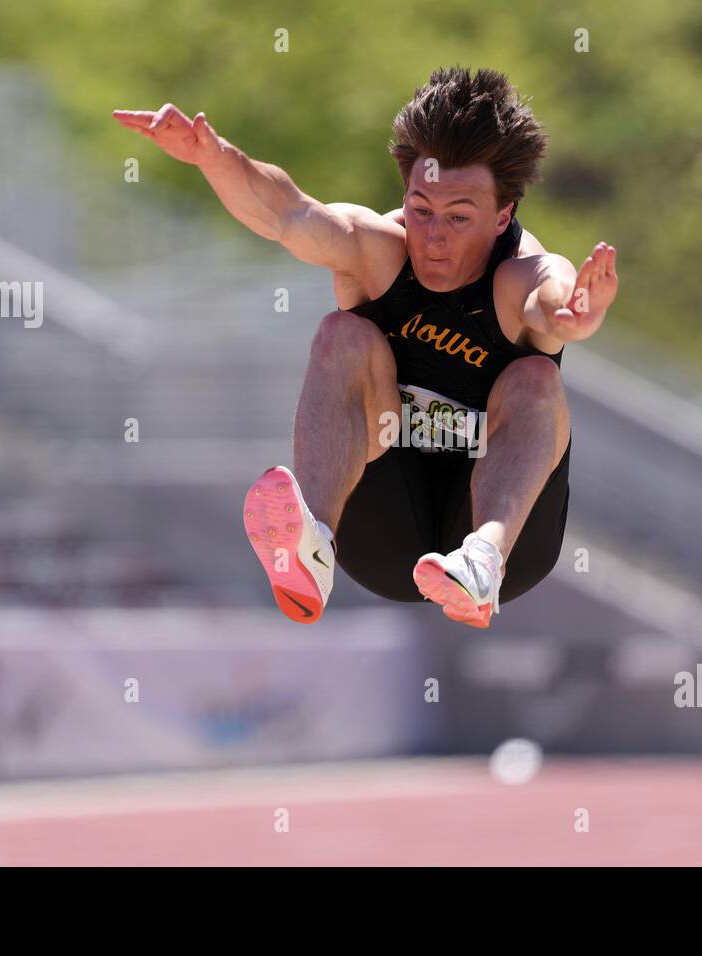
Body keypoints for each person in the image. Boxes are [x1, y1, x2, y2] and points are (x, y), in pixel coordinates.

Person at [114, 66, 618, 628]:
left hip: (509, 543)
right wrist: (216, 158)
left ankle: (480, 565)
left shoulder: (521, 276)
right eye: (422, 210)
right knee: (342, 333)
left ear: (502, 217)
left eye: (459, 218)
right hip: (383, 537)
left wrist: (579, 316)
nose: (434, 238)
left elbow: (555, 302)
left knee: (536, 379)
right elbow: (289, 214)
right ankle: (313, 543)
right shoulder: (379, 252)